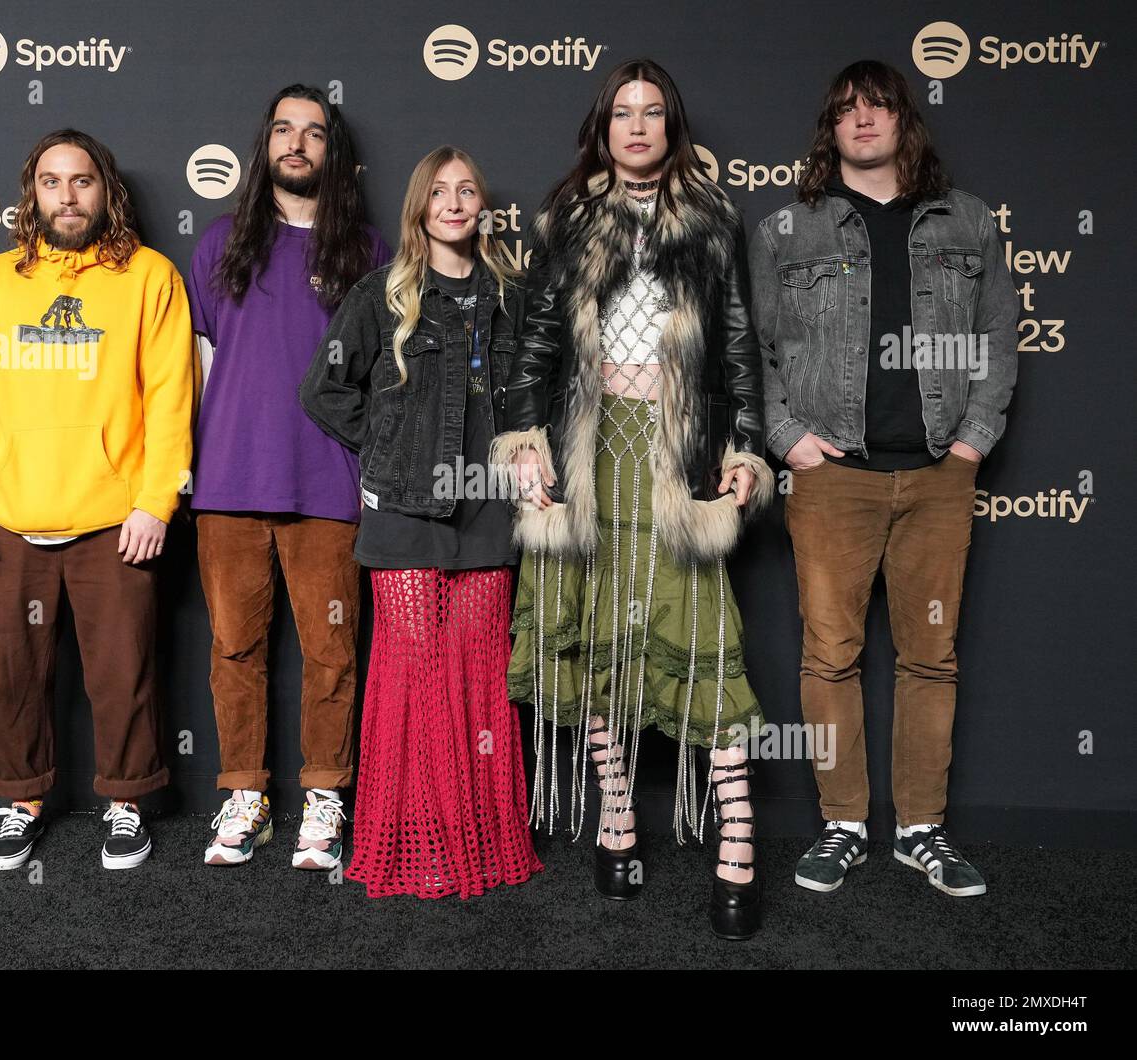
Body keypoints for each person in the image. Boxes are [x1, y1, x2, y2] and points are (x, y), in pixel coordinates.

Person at [491, 60, 773, 938]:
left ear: (671, 125)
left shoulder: (714, 219)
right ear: (603, 126)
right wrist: (526, 444)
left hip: (674, 446)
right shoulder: (568, 217)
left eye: (654, 113)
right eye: (624, 113)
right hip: (588, 450)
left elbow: (736, 345)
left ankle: (738, 842)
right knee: (599, 629)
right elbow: (536, 344)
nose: (639, 126)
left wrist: (747, 448)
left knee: (699, 629)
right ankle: (617, 817)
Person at [749, 60, 1019, 898]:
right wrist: (786, 434)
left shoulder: (968, 222)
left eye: (878, 106)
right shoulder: (786, 231)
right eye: (846, 110)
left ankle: (920, 831)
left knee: (929, 656)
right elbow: (751, 346)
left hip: (938, 472)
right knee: (830, 656)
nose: (863, 120)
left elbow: (998, 338)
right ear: (830, 130)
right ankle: (840, 825)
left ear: (906, 120)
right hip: (834, 477)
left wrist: (974, 440)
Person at [0, 128, 194, 870]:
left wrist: (155, 500)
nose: (68, 195)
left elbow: (172, 400)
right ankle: (20, 802)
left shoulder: (150, 277)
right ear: (32, 194)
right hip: (12, 515)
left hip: (115, 518)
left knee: (125, 673)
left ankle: (125, 804)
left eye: (82, 181)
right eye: (52, 182)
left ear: (106, 190)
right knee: (11, 677)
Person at [300, 146, 542, 899]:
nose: (455, 201)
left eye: (468, 189)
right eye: (439, 191)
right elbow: (323, 390)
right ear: (419, 207)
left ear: (482, 206)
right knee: (413, 676)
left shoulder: (514, 295)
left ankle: (474, 838)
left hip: (487, 512)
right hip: (405, 514)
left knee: (477, 678)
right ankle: (416, 842)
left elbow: (536, 395)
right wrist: (393, 452)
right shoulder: (383, 293)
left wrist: (532, 463)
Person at [186, 85, 391, 869]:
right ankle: (245, 796)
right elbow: (201, 367)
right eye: (283, 129)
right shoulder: (219, 243)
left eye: (313, 131)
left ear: (332, 153)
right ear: (265, 144)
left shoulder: (368, 251)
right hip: (229, 485)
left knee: (332, 653)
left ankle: (325, 798)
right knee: (234, 648)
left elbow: (382, 377)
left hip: (329, 486)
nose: (296, 143)